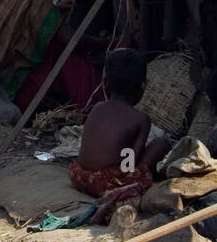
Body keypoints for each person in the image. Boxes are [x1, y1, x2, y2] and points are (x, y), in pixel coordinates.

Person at [68, 49, 171, 198]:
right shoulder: (140, 119)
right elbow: (129, 164)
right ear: (144, 86)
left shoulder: (97, 108)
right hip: (108, 184)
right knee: (161, 144)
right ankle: (151, 178)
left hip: (79, 176)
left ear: (104, 83)